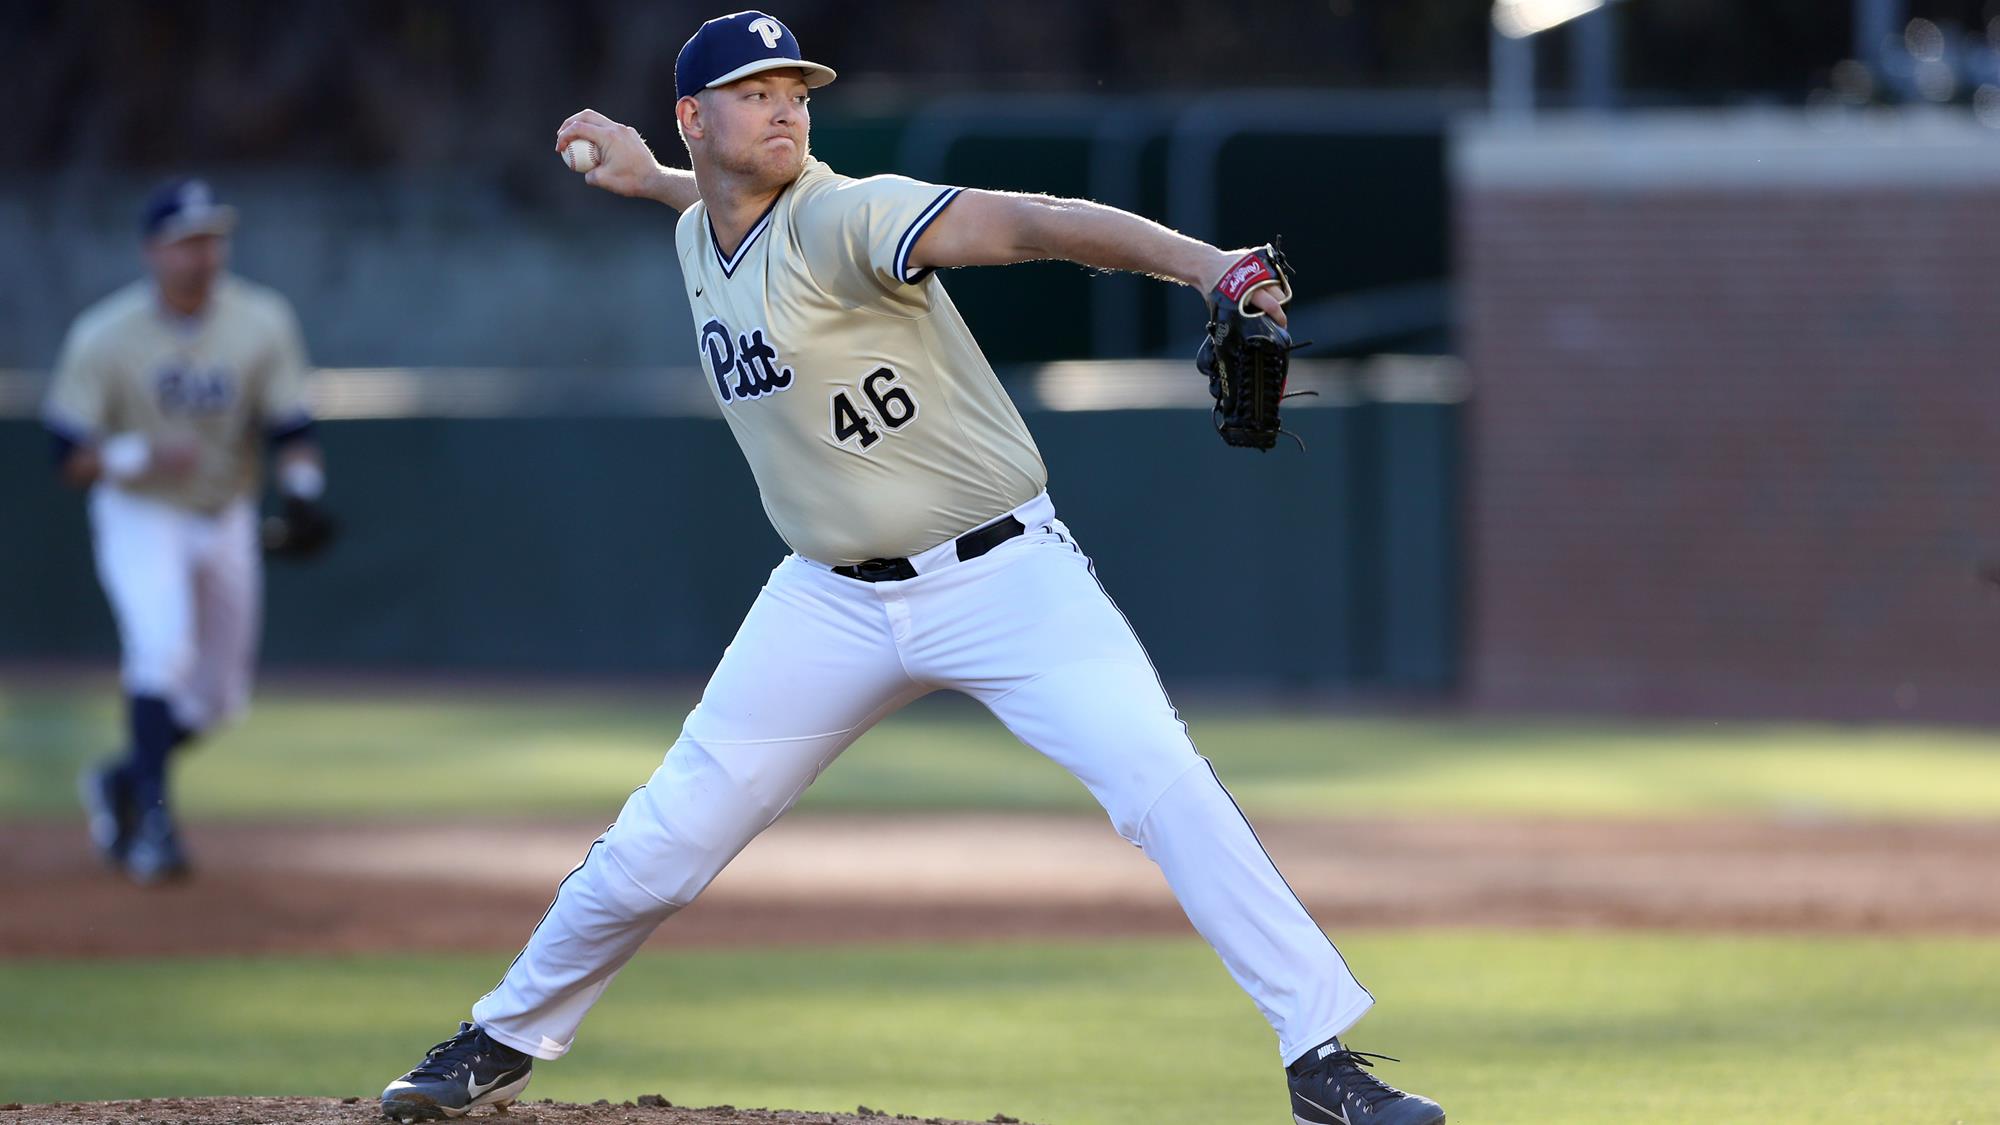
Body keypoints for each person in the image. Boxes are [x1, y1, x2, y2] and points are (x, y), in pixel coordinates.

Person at [380, 12, 1444, 1125]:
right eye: (753, 91)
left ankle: (1319, 1058)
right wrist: (651, 176)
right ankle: (499, 1035)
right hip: (827, 598)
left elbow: (1030, 221)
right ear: (694, 119)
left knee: (1161, 784)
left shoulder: (848, 213)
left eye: (795, 87)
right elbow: (710, 207)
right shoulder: (704, 228)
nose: (785, 104)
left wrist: (1202, 265)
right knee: (663, 839)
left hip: (1001, 574)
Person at [43, 177, 331, 886]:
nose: (203, 255)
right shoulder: (106, 336)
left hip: (225, 510)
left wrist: (301, 494)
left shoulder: (259, 319)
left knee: (219, 696)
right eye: (187, 242)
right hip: (141, 508)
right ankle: (155, 828)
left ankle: (121, 779)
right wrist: (139, 453)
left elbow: (292, 427)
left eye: (212, 239)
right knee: (160, 652)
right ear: (152, 252)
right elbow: (66, 455)